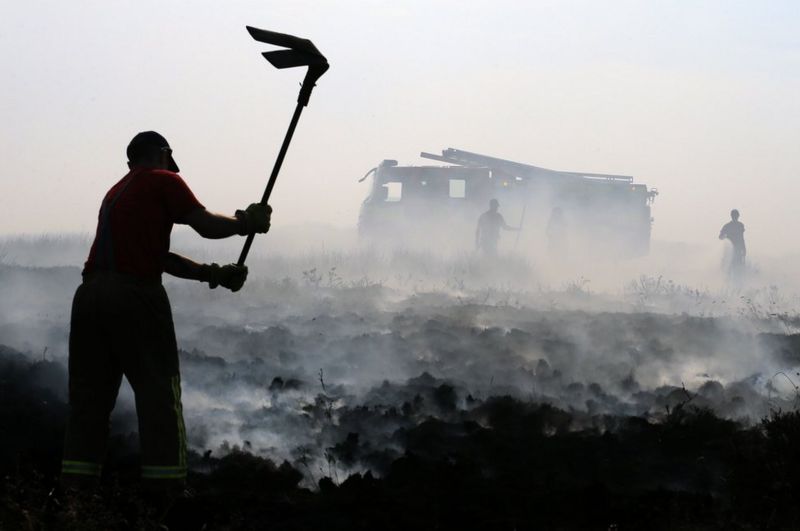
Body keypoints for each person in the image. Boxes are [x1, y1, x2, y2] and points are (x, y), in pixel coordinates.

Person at [61, 131, 271, 493]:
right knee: (159, 395)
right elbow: (204, 224)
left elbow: (159, 256)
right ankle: (166, 498)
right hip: (134, 299)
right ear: (163, 155)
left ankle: (75, 497)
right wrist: (244, 223)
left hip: (90, 297)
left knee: (89, 402)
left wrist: (212, 274)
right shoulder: (163, 180)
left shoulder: (116, 194)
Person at [718, 208, 746, 276]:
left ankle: (737, 284)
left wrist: (744, 249)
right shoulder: (728, 226)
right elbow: (720, 237)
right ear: (732, 216)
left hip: (738, 250)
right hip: (729, 251)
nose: (735, 217)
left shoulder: (740, 225)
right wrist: (727, 237)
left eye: (736, 216)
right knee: (728, 269)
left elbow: (742, 238)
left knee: (737, 269)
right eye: (734, 216)